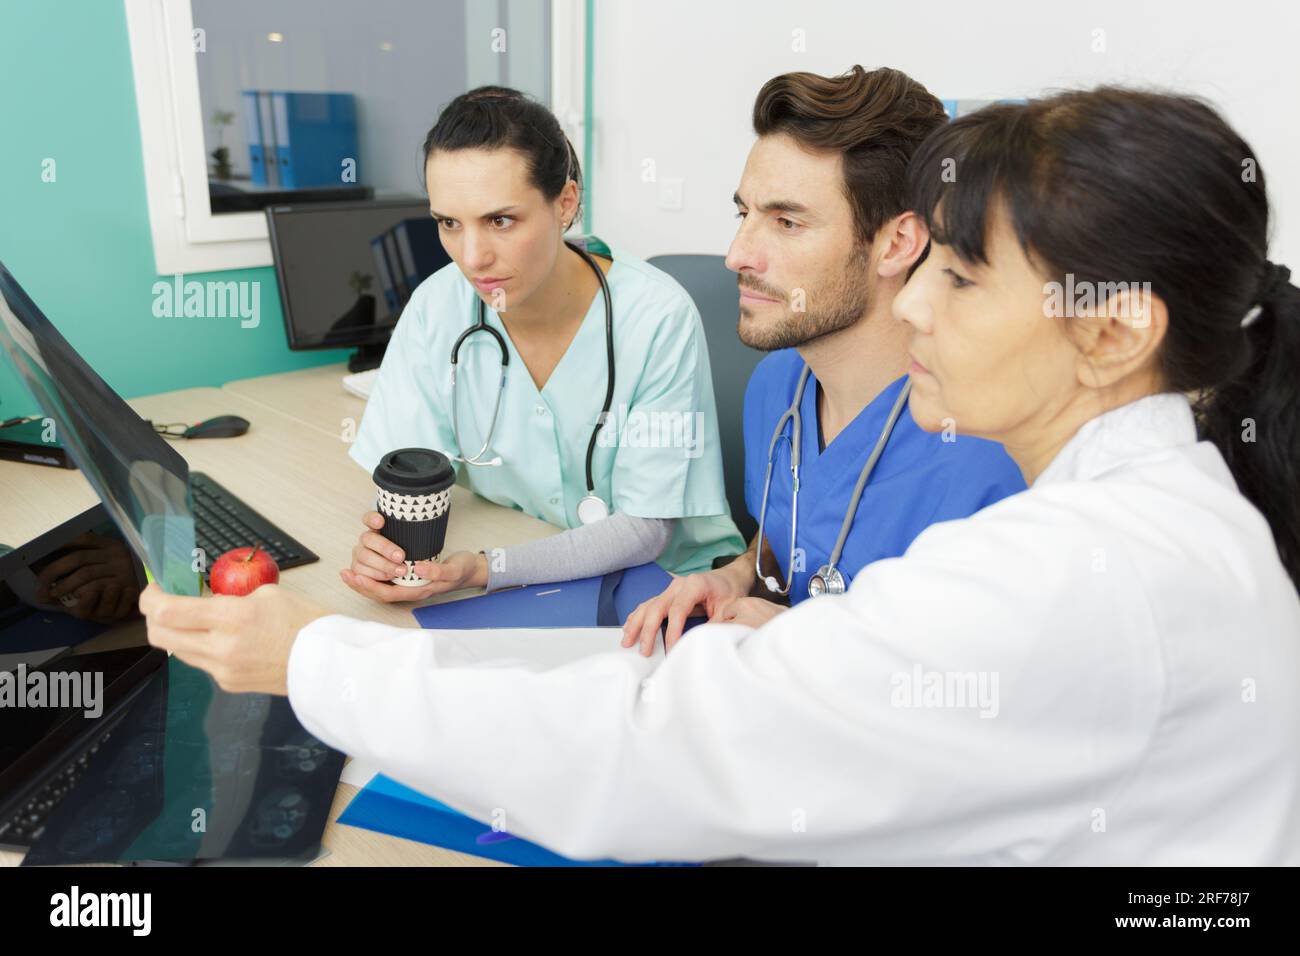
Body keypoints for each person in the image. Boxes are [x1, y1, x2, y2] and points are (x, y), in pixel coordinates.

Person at [140, 86, 1300, 865]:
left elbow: (666, 740)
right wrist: (756, 587)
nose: (914, 306)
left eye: (955, 276)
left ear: (1108, 332)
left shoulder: (1074, 573)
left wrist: (310, 656)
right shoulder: (1146, 516)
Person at [623, 67, 1023, 655]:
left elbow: (984, 690)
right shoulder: (776, 388)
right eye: (745, 214)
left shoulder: (989, 452)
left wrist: (801, 640)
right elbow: (789, 541)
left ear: (897, 244)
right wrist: (731, 577)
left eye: (787, 222)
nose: (737, 256)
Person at [341, 86, 742, 603]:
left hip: (667, 584)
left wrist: (483, 570)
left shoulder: (656, 317)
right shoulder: (437, 306)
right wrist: (390, 551)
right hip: (525, 558)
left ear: (565, 203)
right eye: (449, 223)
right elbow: (408, 477)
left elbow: (646, 530)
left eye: (500, 220)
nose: (472, 257)